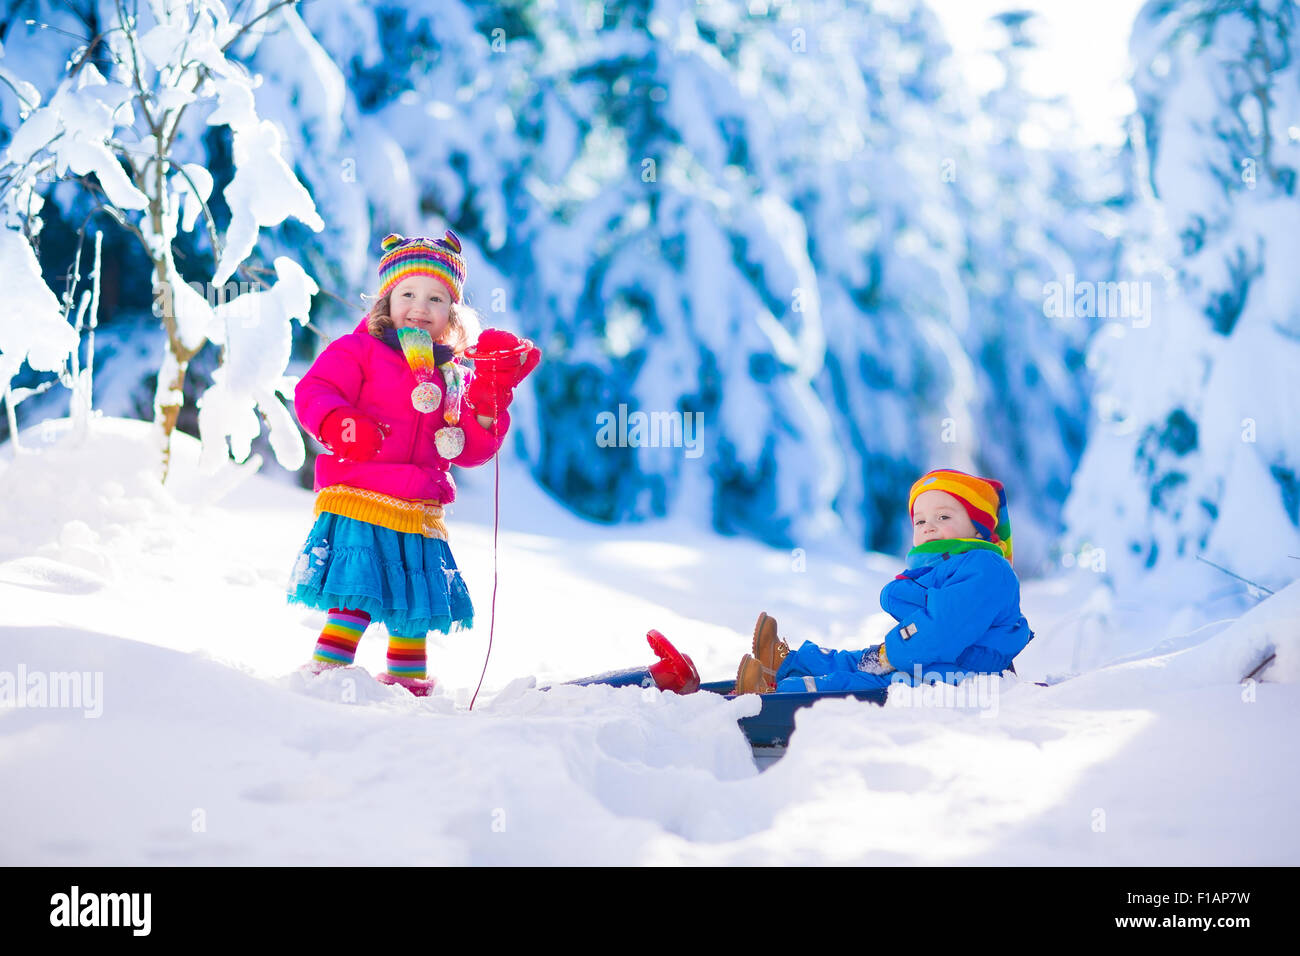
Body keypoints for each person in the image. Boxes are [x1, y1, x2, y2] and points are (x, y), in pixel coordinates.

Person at [286, 230, 540, 696]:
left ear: (452, 313)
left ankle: (406, 685)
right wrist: (343, 423)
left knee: (412, 605)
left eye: (436, 297)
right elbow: (314, 392)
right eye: (408, 293)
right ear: (386, 302)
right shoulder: (358, 350)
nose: (420, 306)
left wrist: (490, 398)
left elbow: (469, 447)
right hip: (360, 495)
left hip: (418, 507)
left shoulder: (453, 375)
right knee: (354, 591)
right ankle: (325, 676)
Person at [734, 468, 1034, 694]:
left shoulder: (986, 567)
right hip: (938, 660)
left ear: (979, 530)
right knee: (860, 659)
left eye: (943, 517)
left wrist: (893, 652)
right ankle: (787, 663)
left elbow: (946, 627)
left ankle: (777, 692)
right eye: (921, 520)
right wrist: (890, 652)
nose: (929, 526)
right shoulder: (950, 565)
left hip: (963, 676)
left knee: (865, 681)